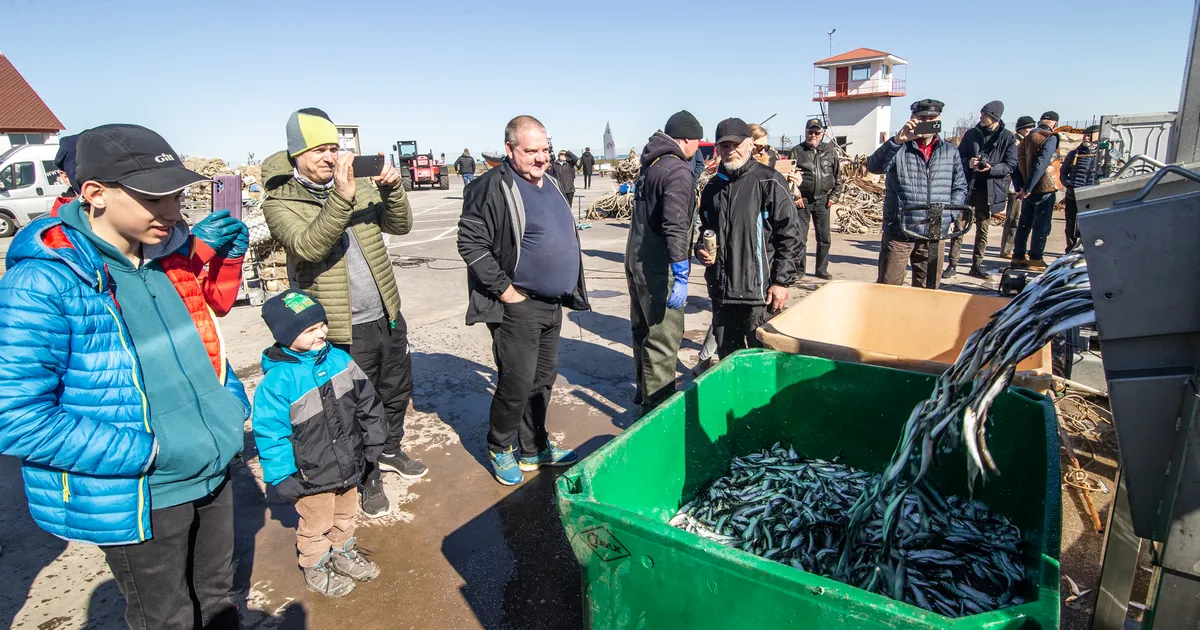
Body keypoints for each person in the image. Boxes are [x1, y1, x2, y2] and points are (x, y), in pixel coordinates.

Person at [0, 123, 251, 630]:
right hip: (143, 489)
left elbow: (205, 348)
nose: (173, 212)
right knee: (168, 618)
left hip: (214, 467)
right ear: (94, 194)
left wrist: (229, 408)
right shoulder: (42, 282)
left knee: (220, 599)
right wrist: (149, 454)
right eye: (153, 198)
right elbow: (16, 416)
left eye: (177, 196)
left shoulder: (170, 258)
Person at [261, 108, 426, 520]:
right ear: (296, 154)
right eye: (318, 149)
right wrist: (342, 195)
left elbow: (401, 226)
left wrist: (392, 191)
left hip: (385, 314)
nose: (329, 157)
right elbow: (309, 247)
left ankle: (389, 450)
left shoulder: (361, 185)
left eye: (334, 148)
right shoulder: (281, 202)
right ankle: (367, 474)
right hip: (339, 328)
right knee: (353, 408)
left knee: (395, 393)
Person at [456, 115, 589, 485]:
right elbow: (470, 242)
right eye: (531, 151)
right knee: (516, 383)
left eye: (545, 149)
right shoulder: (490, 187)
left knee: (543, 379)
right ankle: (500, 447)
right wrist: (506, 291)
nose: (541, 157)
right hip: (519, 305)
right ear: (510, 150)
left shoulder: (553, 181)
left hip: (552, 302)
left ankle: (534, 448)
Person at [253, 290, 387, 598]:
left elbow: (368, 402)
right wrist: (280, 476)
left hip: (350, 462)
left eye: (322, 325)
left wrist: (373, 440)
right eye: (310, 330)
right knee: (316, 522)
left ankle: (342, 550)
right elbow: (270, 434)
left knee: (345, 514)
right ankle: (314, 562)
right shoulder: (278, 382)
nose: (322, 333)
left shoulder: (341, 360)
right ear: (286, 336)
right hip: (311, 475)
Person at [695, 118, 801, 357]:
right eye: (724, 145)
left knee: (762, 360)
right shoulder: (712, 188)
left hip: (759, 296)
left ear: (750, 144)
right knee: (728, 360)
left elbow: (791, 236)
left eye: (736, 144)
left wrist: (782, 282)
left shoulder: (769, 180)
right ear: (717, 149)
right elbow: (706, 230)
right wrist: (700, 248)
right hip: (723, 292)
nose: (730, 150)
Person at [626, 110, 704, 414]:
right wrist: (681, 272)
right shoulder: (677, 170)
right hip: (661, 267)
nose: (697, 147)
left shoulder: (651, 165)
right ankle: (656, 409)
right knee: (663, 337)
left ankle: (643, 392)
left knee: (641, 331)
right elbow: (674, 224)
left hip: (637, 261)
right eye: (697, 141)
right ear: (686, 139)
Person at [869, 99, 968, 289]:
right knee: (888, 288)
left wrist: (948, 215)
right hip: (900, 232)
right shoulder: (899, 148)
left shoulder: (949, 151)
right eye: (922, 118)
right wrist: (897, 141)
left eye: (932, 119)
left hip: (933, 233)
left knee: (928, 291)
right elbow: (874, 166)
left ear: (939, 120)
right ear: (912, 119)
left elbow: (960, 186)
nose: (927, 122)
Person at [943, 101, 1018, 280]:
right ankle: (952, 264)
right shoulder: (972, 134)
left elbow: (1011, 165)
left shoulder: (1007, 137)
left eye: (985, 115)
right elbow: (958, 158)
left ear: (995, 118)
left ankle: (977, 265)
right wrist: (968, 163)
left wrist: (990, 168)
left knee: (983, 228)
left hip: (990, 190)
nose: (981, 118)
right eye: (981, 114)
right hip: (969, 187)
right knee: (959, 226)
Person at [786, 118, 842, 280]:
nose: (813, 135)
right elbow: (789, 177)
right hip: (802, 201)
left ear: (822, 134)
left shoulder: (830, 151)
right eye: (810, 132)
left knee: (824, 239)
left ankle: (821, 269)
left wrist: (835, 195)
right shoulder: (797, 151)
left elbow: (838, 176)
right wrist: (796, 196)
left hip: (823, 201)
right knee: (800, 238)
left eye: (817, 132)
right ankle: (799, 270)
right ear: (805, 132)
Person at [1011, 111, 1062, 270]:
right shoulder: (1049, 137)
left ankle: (1018, 256)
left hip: (1027, 189)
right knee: (1042, 224)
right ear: (1054, 123)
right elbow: (1041, 163)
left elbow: (1015, 167)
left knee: (1024, 223)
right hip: (1043, 189)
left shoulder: (1025, 140)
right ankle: (1035, 258)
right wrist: (1028, 188)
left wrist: (1021, 187)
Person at [999, 116, 1037, 257]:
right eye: (1029, 128)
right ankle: (1007, 249)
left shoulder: (1025, 142)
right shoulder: (1014, 142)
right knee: (1014, 216)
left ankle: (1016, 248)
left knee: (1020, 216)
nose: (1031, 130)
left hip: (1022, 182)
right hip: (1013, 183)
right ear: (1022, 128)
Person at [1060, 125, 1101, 252]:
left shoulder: (1101, 156)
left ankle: (1087, 250)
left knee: (1090, 225)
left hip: (1091, 197)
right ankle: (1070, 249)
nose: (1086, 137)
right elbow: (1063, 172)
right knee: (1071, 225)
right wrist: (1068, 183)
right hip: (1074, 195)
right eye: (1085, 135)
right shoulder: (1074, 154)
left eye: (1089, 135)